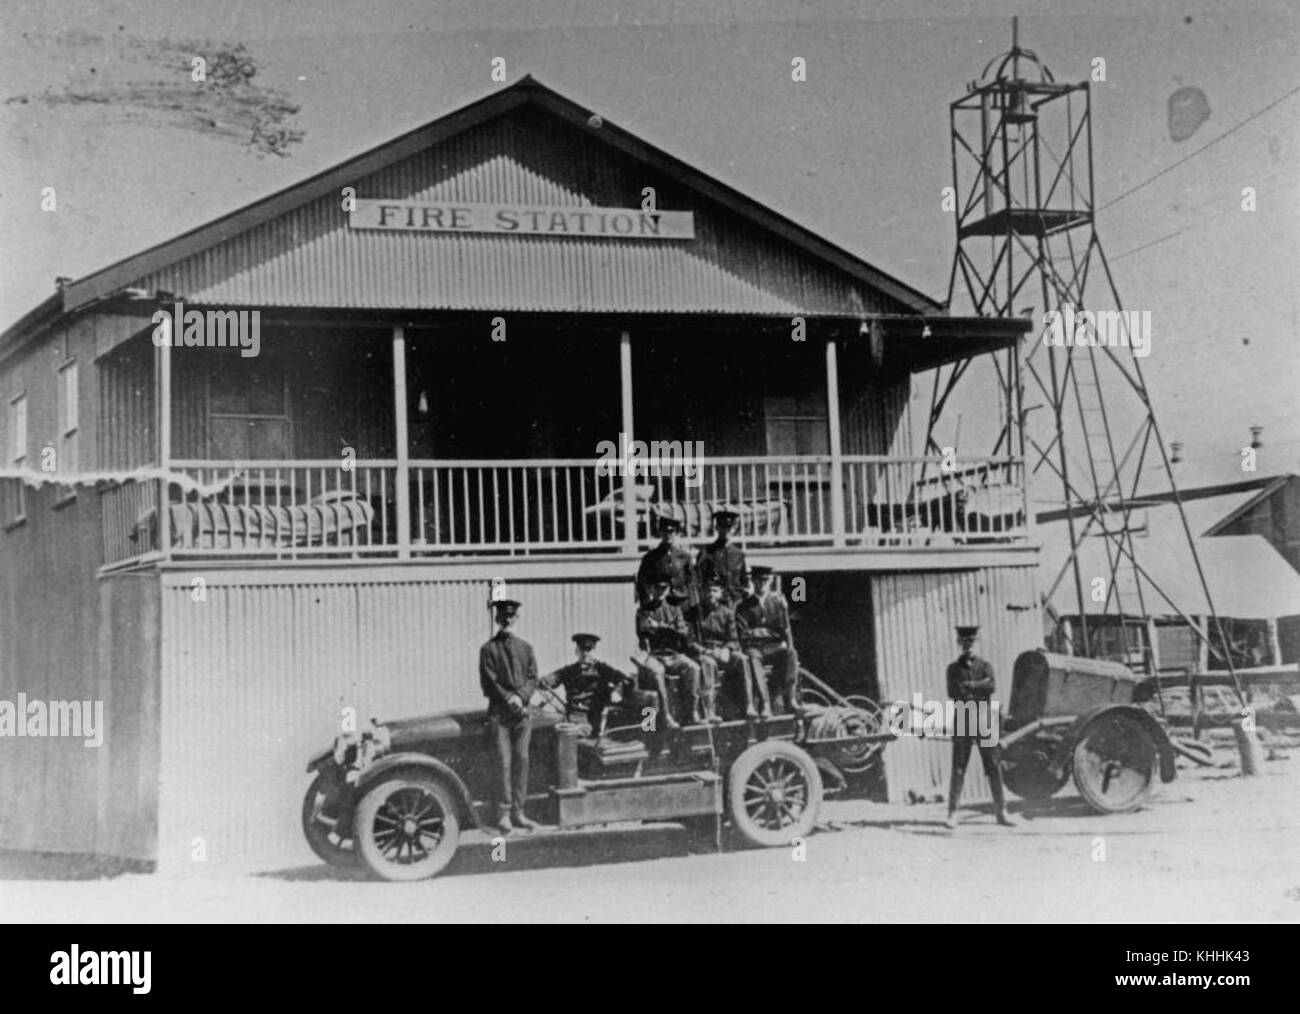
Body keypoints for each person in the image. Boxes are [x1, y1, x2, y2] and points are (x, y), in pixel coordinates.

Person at [478, 598, 541, 834]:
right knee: (503, 763)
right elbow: (489, 681)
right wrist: (509, 699)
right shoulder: (488, 650)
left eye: (511, 617)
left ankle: (519, 812)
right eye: (503, 617)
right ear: (497, 620)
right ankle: (503, 815)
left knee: (522, 761)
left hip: (522, 716)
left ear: (517, 619)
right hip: (500, 717)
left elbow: (533, 677)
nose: (507, 620)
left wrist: (522, 697)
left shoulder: (526, 648)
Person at [944, 625, 1015, 829]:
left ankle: (1002, 812)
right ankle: (952, 813)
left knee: (993, 766)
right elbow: (953, 692)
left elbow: (992, 686)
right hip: (963, 719)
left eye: (972, 641)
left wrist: (970, 687)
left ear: (977, 642)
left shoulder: (985, 666)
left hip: (985, 719)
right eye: (965, 642)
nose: (968, 645)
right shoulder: (953, 669)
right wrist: (979, 686)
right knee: (958, 768)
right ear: (959, 643)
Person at [635, 577, 702, 729]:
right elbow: (645, 629)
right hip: (654, 655)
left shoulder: (674, 609)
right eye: (656, 588)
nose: (660, 592)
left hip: (673, 654)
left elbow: (683, 633)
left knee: (694, 668)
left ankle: (692, 712)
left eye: (663, 589)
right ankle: (665, 716)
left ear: (667, 590)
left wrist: (659, 626)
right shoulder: (643, 611)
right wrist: (670, 628)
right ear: (651, 590)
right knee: (657, 673)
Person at [736, 566, 797, 717]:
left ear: (770, 581)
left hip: (774, 647)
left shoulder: (777, 603)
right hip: (754, 649)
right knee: (753, 658)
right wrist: (769, 633)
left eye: (765, 580)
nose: (762, 584)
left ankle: (791, 699)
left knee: (790, 653)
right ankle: (765, 704)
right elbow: (744, 635)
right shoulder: (743, 606)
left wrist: (758, 632)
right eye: (758, 580)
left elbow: (782, 630)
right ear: (753, 581)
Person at [542, 633, 631, 736]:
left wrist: (617, 691)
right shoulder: (569, 671)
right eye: (582, 650)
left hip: (590, 721)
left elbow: (626, 681)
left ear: (594, 651)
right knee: (548, 731)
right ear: (577, 651)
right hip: (570, 717)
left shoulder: (603, 670)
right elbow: (549, 680)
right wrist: (542, 681)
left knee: (566, 733)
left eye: (589, 650)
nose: (585, 654)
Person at [686, 574, 747, 719]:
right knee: (709, 663)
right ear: (701, 592)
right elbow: (690, 641)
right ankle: (709, 711)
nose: (710, 594)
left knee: (742, 659)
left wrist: (727, 649)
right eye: (707, 591)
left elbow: (734, 639)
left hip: (723, 653)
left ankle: (748, 705)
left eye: (714, 591)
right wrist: (707, 651)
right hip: (704, 654)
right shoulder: (693, 613)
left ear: (721, 593)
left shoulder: (727, 613)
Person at [636, 515, 698, 610]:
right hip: (659, 606)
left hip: (682, 604)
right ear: (660, 532)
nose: (668, 535)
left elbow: (692, 583)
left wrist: (693, 605)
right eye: (665, 531)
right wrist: (647, 603)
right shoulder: (650, 558)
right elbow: (642, 582)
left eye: (671, 531)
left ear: (676, 533)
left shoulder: (685, 557)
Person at [696, 509, 748, 605]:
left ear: (734, 528)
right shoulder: (706, 553)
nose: (726, 531)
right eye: (722, 527)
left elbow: (743, 582)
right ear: (716, 528)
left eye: (729, 527)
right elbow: (700, 582)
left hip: (735, 603)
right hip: (715, 604)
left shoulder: (739, 554)